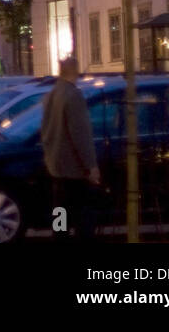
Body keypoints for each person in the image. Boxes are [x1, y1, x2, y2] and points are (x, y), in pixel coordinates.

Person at [41, 56, 99, 241]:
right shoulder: (73, 95)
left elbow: (45, 130)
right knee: (83, 215)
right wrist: (91, 166)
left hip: (56, 166)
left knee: (60, 213)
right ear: (75, 71)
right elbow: (80, 134)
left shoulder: (51, 94)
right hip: (74, 169)